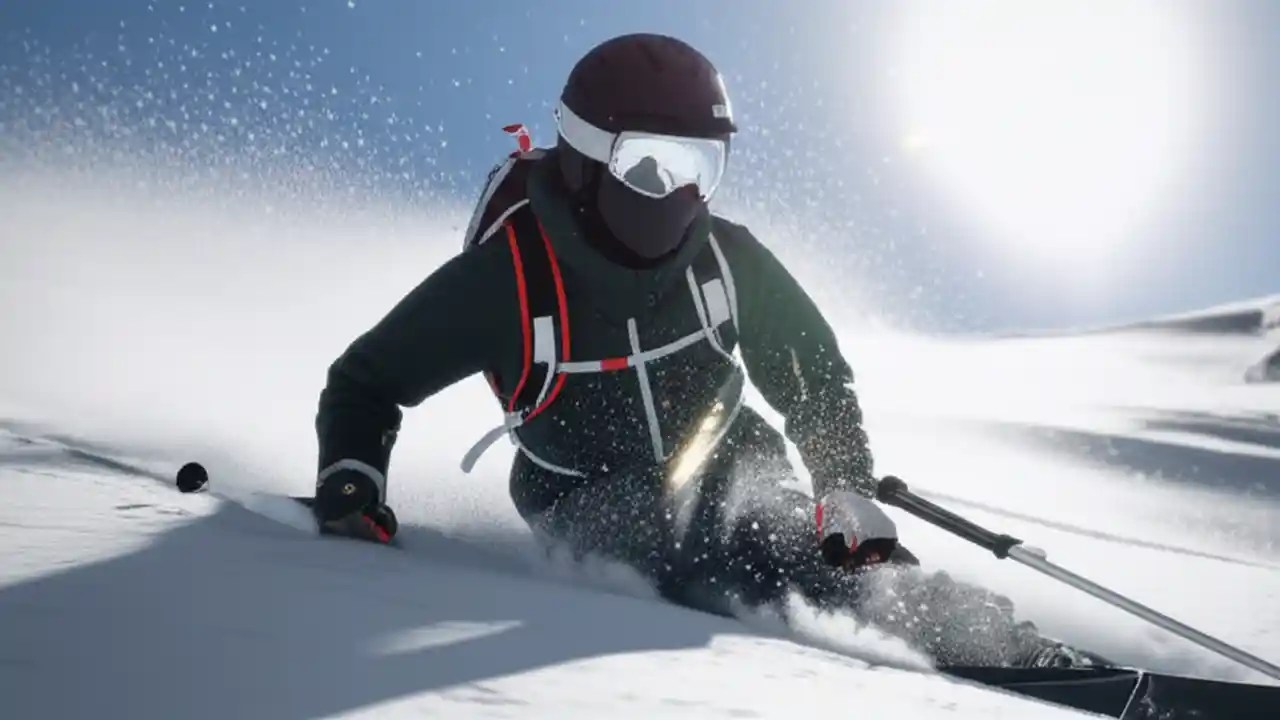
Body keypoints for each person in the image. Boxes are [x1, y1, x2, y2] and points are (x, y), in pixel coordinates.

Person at [310, 33, 1090, 669]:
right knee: (684, 537)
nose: (681, 195)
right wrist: (352, 481)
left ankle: (1015, 658)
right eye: (651, 166)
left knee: (815, 547)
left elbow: (811, 372)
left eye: (702, 166)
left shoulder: (725, 257)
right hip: (582, 490)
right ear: (586, 162)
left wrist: (843, 483)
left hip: (730, 461)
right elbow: (366, 381)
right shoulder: (508, 281)